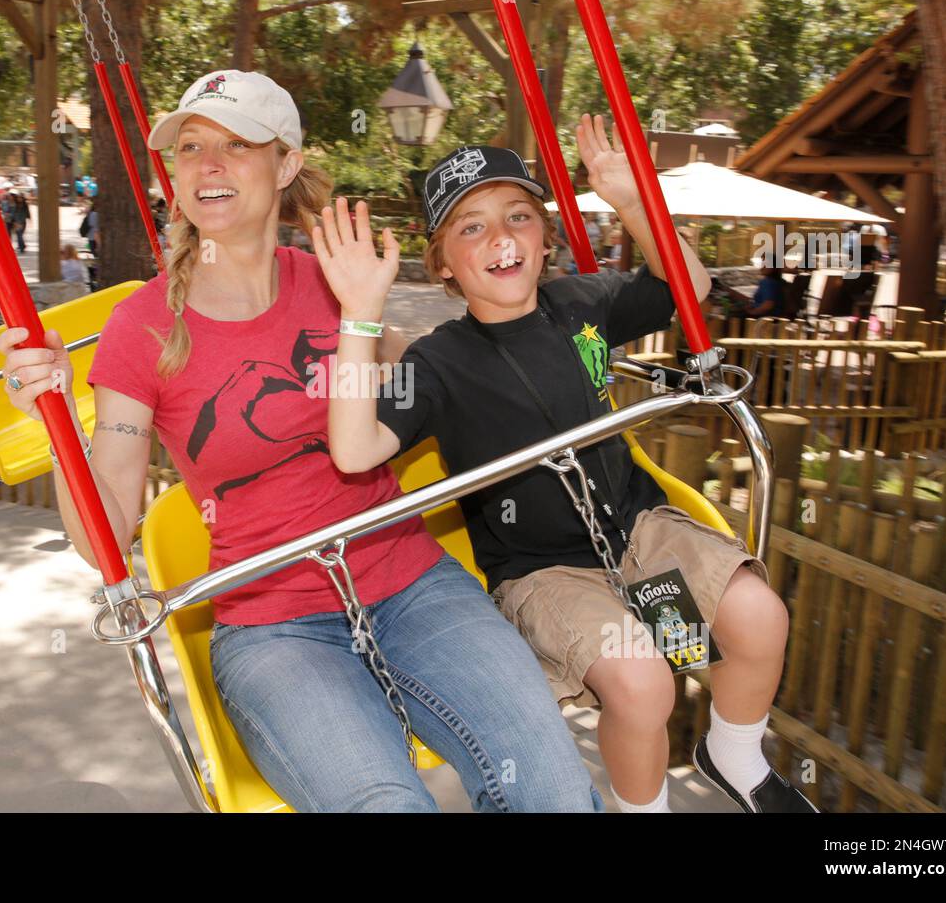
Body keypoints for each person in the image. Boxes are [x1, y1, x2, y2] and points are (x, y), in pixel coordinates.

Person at [0, 69, 601, 813]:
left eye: (236, 144)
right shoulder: (142, 329)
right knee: (386, 806)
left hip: (410, 581)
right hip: (275, 626)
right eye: (190, 147)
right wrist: (57, 422)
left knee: (551, 779)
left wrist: (548, 357)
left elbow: (437, 376)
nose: (207, 164)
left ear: (285, 165)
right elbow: (106, 535)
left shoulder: (335, 284)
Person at [318, 119, 814, 814]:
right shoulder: (436, 363)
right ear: (442, 265)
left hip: (635, 531)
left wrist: (633, 205)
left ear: (544, 236)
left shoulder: (581, 302)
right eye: (471, 228)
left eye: (518, 216)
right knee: (644, 682)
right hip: (543, 569)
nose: (501, 238)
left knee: (759, 616)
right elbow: (353, 449)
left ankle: (732, 751)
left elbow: (690, 284)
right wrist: (359, 319)